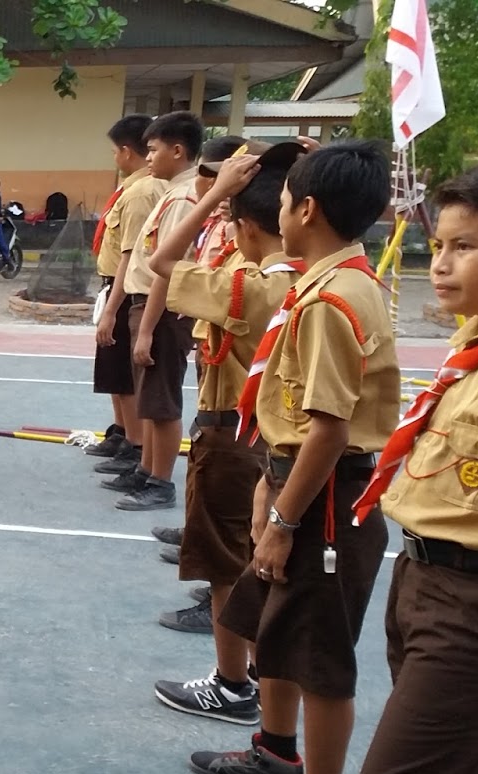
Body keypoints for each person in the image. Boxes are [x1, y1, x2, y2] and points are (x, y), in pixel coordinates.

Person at [192, 141, 397, 774]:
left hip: (326, 496)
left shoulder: (334, 300)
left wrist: (283, 519)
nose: (276, 209)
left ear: (305, 210)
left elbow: (331, 429)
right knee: (276, 628)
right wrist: (267, 486)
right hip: (295, 478)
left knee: (320, 655)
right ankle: (276, 752)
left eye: (283, 199)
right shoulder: (325, 284)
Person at [353, 161, 478, 774]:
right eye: (438, 246)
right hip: (424, 579)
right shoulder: (476, 339)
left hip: (474, 607)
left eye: (465, 247)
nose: (439, 264)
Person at [146, 143, 307, 722]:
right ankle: (258, 683)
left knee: (225, 565)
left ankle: (233, 682)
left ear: (246, 227)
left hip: (233, 437)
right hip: (274, 439)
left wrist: (213, 194)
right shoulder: (310, 277)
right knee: (256, 565)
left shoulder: (250, 284)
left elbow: (163, 260)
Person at [112, 111, 205, 511]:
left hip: (161, 310)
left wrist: (147, 329)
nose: (148, 157)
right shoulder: (171, 193)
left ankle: (160, 482)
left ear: (178, 151)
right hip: (148, 305)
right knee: (150, 400)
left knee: (162, 401)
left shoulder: (183, 199)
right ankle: (147, 470)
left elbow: (167, 270)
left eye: (153, 150)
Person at [88, 115, 165, 470]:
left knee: (124, 372)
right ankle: (122, 432)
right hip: (114, 285)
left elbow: (129, 255)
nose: (113, 157)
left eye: (114, 151)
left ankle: (134, 446)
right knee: (113, 371)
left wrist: (110, 309)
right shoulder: (131, 188)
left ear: (125, 151)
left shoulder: (141, 193)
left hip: (125, 289)